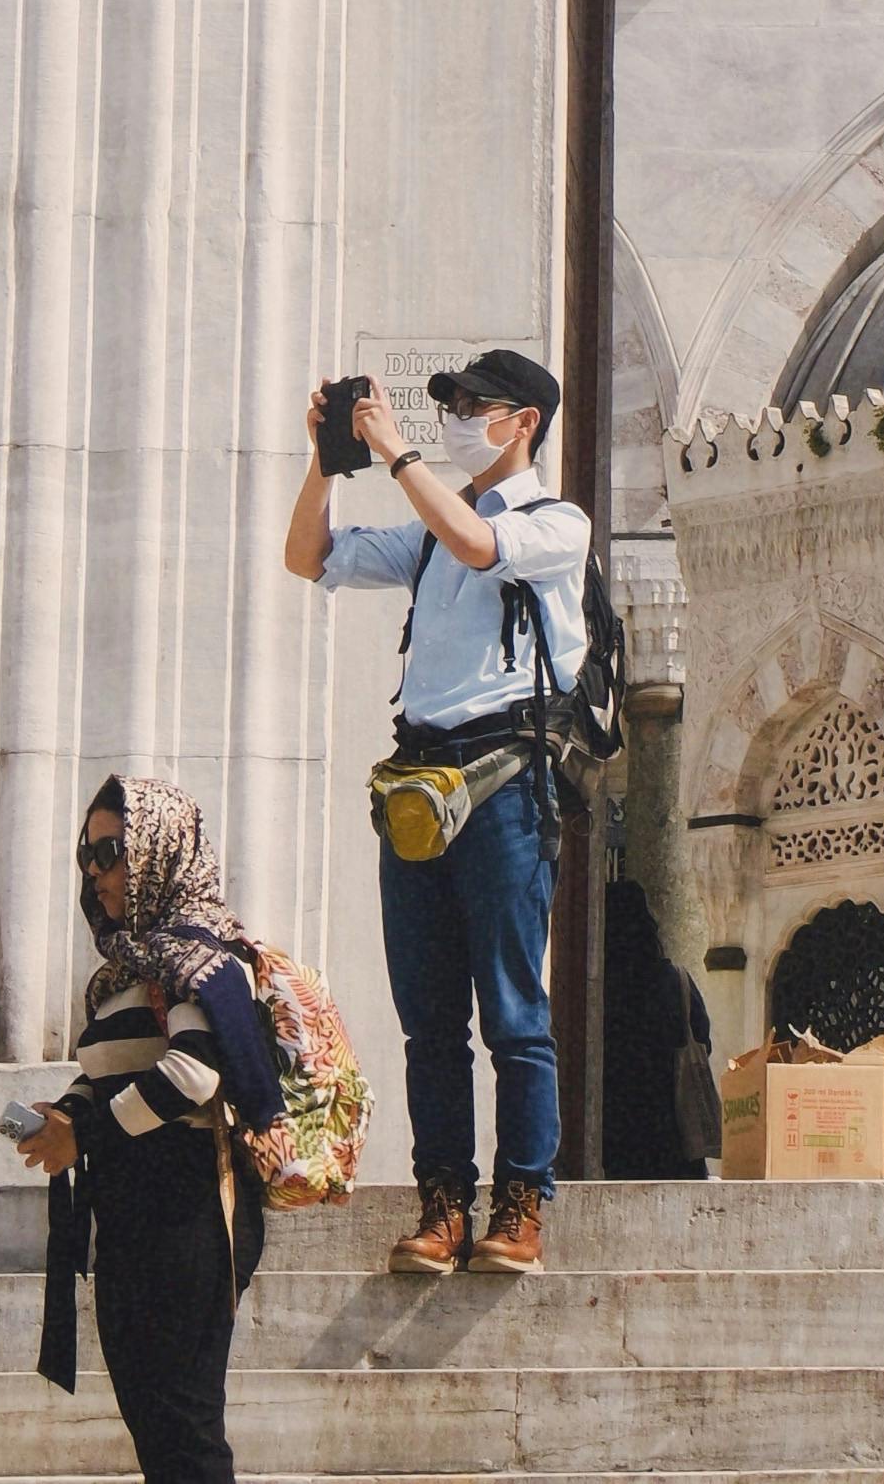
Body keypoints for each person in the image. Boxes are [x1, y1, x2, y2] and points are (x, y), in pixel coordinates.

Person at [285, 344, 588, 1278]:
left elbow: (478, 543)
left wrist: (400, 449)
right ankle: (442, 1203)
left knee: (513, 1010)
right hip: (420, 784)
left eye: (476, 404)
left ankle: (523, 1201)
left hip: (504, 781)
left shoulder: (556, 521)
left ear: (523, 421)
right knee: (428, 1018)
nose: (460, 417)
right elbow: (310, 557)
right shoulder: (425, 532)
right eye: (451, 403)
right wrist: (326, 462)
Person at [23, 775, 282, 1484]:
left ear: (158, 850)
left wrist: (88, 1134)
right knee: (155, 1429)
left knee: (186, 1430)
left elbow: (195, 1072)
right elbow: (107, 1074)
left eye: (110, 850)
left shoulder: (198, 957)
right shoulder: (123, 975)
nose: (96, 871)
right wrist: (68, 1112)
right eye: (87, 855)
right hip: (131, 1222)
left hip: (186, 1220)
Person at [599, 875, 716, 1177]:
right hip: (673, 1129)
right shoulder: (675, 981)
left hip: (614, 1126)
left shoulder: (597, 990)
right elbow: (703, 1040)